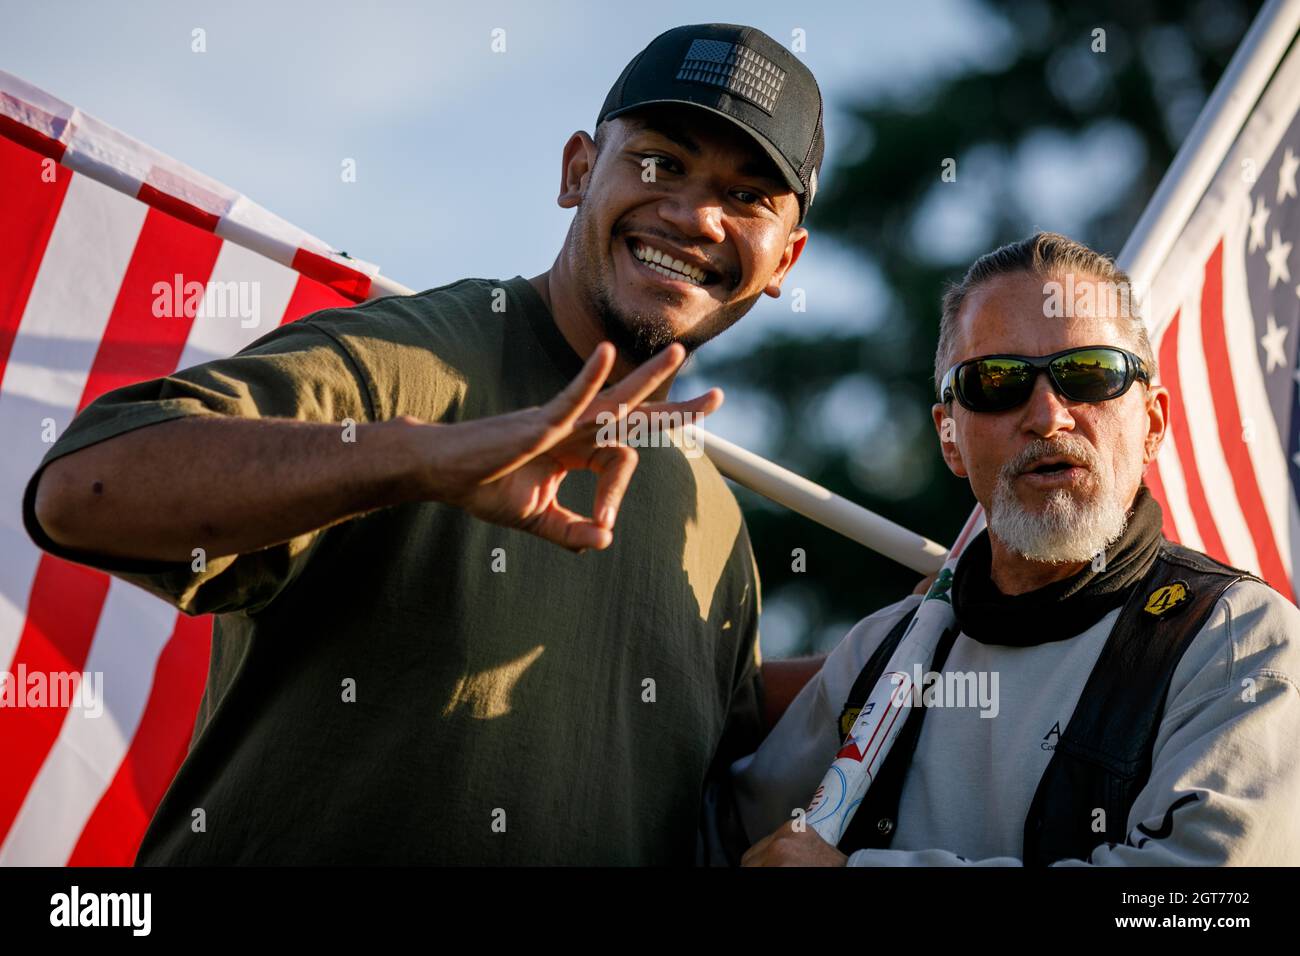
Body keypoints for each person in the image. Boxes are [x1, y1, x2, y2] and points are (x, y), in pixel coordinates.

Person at [22, 23, 825, 865]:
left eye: (746, 198)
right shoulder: (415, 361)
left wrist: (931, 635)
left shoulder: (717, 525)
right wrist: (421, 459)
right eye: (660, 161)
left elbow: (726, 756)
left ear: (784, 261)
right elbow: (81, 492)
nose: (695, 214)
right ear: (578, 171)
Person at [720, 232, 1300, 867]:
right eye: (997, 382)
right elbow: (721, 837)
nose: (1048, 416)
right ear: (949, 437)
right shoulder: (881, 653)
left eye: (1090, 374)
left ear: (1154, 424)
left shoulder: (1239, 640)